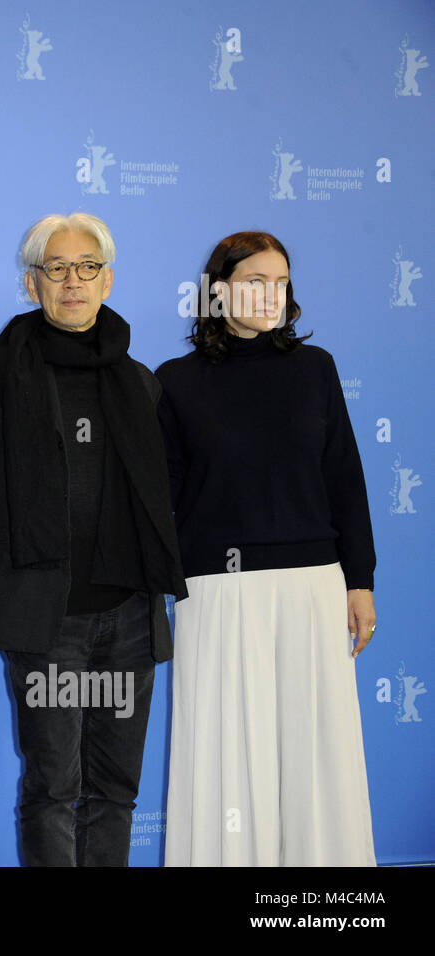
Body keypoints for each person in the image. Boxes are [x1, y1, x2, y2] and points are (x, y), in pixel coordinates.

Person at [0, 213, 187, 866]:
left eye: (86, 267)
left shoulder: (141, 381)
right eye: (56, 268)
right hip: (45, 621)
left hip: (130, 617)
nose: (73, 281)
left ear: (108, 280)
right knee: (53, 788)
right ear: (33, 285)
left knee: (116, 790)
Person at [157, 231, 376, 866]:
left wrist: (358, 580)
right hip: (217, 594)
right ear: (216, 289)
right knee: (225, 753)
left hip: (313, 585)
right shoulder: (175, 382)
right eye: (255, 280)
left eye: (280, 283)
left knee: (318, 753)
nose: (270, 295)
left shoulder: (317, 369)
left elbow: (345, 477)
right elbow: (164, 498)